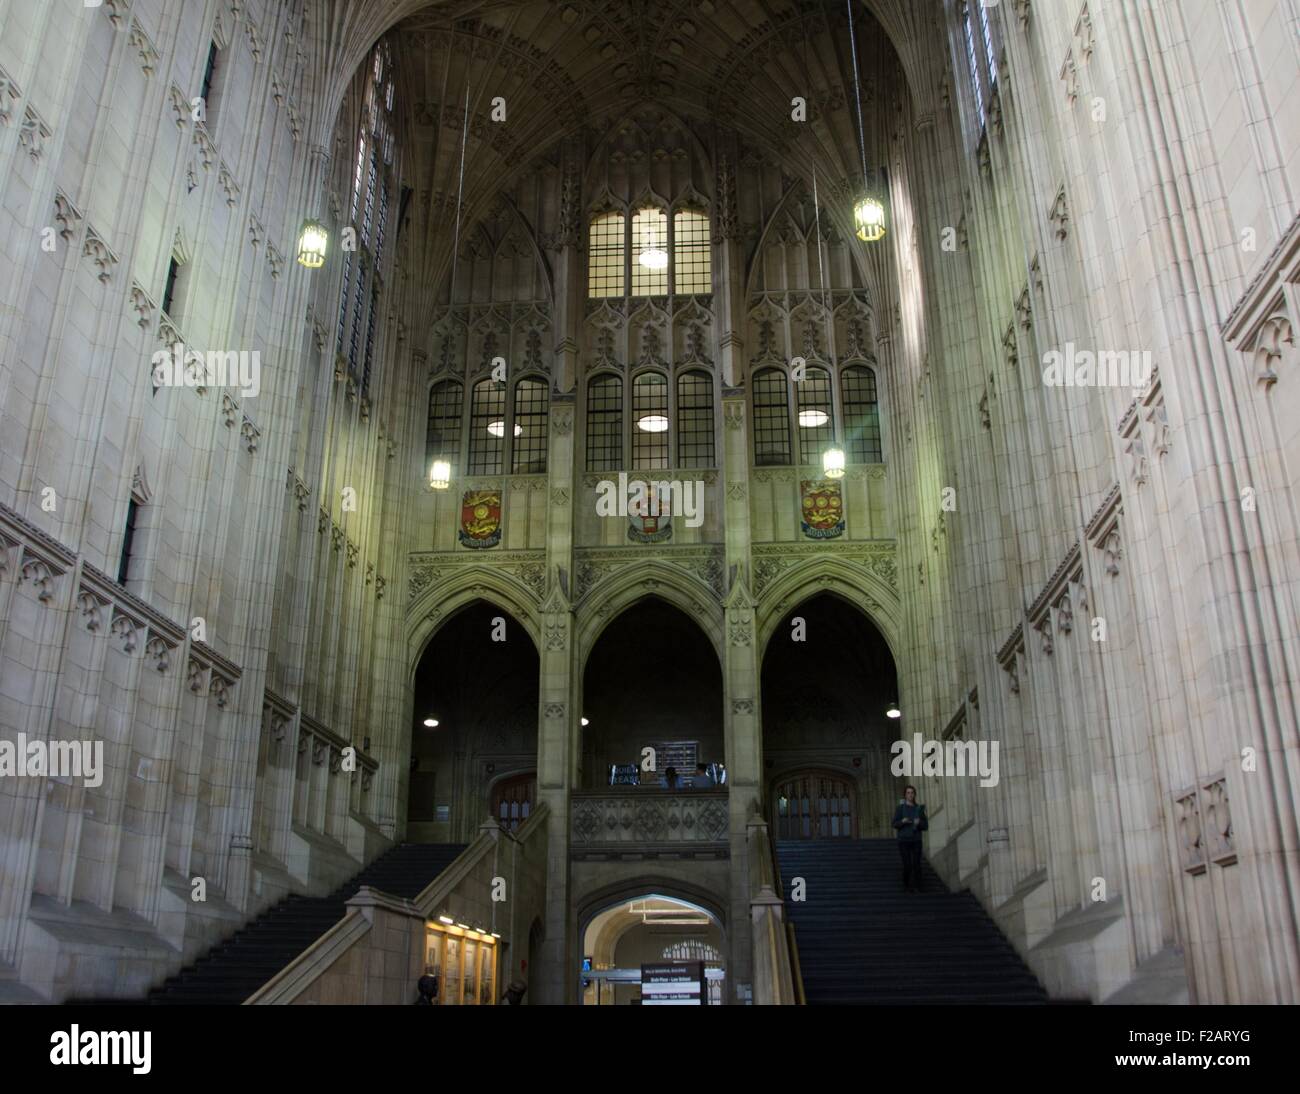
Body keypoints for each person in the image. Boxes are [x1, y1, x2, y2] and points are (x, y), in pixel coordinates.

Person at [891, 785, 928, 893]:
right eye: (908, 793)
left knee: (917, 864)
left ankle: (918, 887)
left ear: (914, 794)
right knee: (907, 865)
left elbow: (925, 826)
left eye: (912, 793)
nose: (910, 795)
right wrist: (902, 821)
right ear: (905, 795)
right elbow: (894, 824)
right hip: (903, 841)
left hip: (916, 840)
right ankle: (906, 886)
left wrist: (919, 823)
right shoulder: (900, 808)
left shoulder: (919, 809)